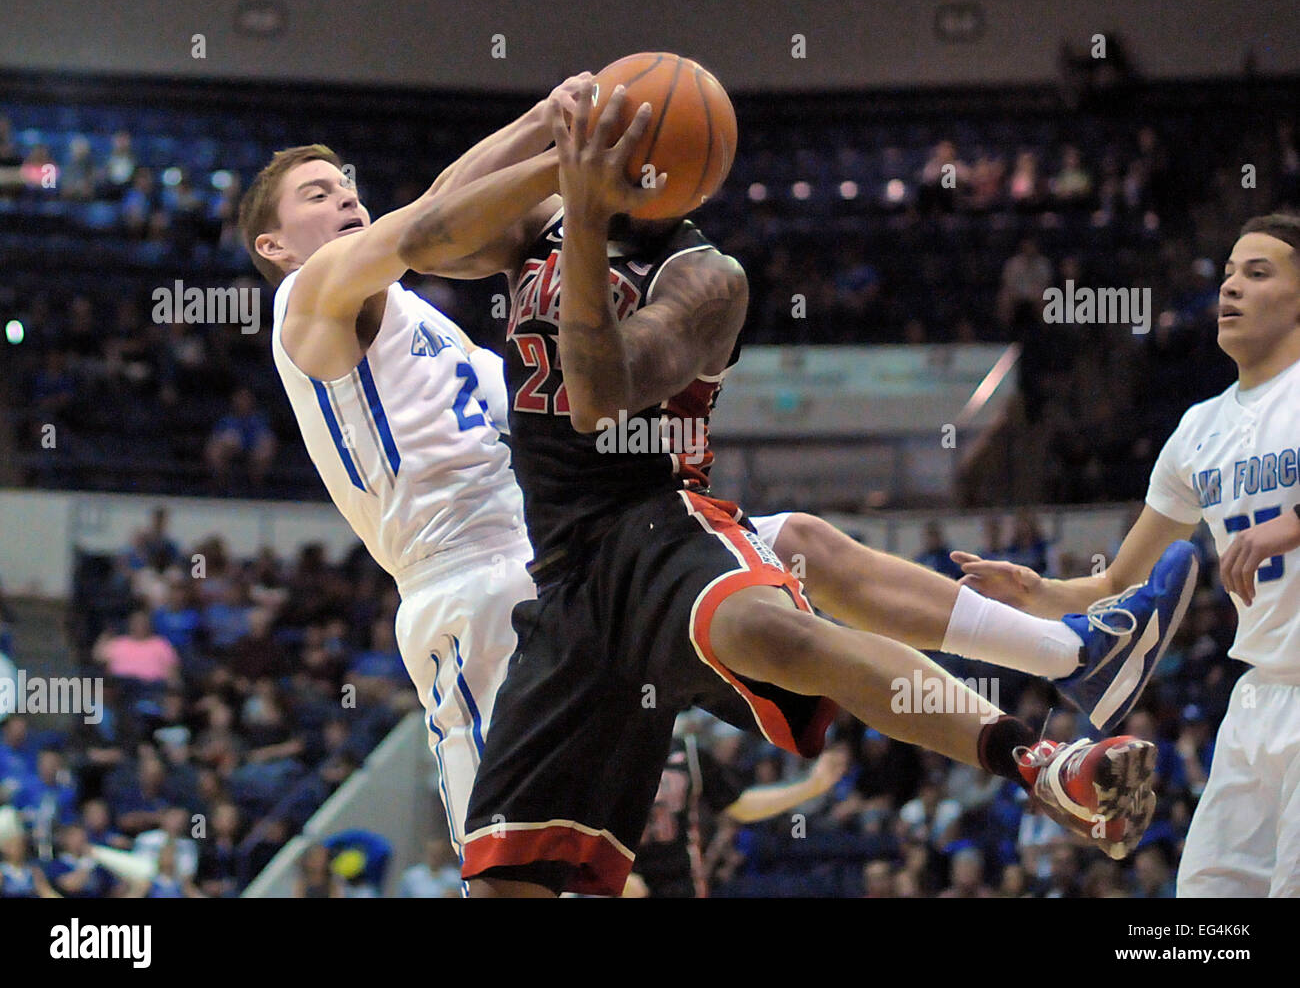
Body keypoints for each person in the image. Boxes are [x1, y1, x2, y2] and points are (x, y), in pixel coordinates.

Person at [243, 75, 1188, 894]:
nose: (347, 201)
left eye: (350, 186)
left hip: (597, 547)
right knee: (524, 883)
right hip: (479, 593)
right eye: (320, 195)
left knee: (806, 550)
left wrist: (567, 138)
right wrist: (570, 142)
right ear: (276, 249)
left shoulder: (661, 278)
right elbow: (436, 218)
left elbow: (468, 257)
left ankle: (1066, 662)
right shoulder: (310, 300)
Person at [955, 213, 1300, 898]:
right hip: (1260, 694)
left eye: (1257, 274)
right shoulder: (1200, 428)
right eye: (1229, 273)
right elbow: (1121, 578)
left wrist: (1290, 525)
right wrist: (1040, 591)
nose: (1231, 288)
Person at [627, 730, 849, 898]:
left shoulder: (687, 751)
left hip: (682, 888)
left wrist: (811, 786)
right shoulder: (602, 752)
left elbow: (740, 806)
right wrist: (609, 877)